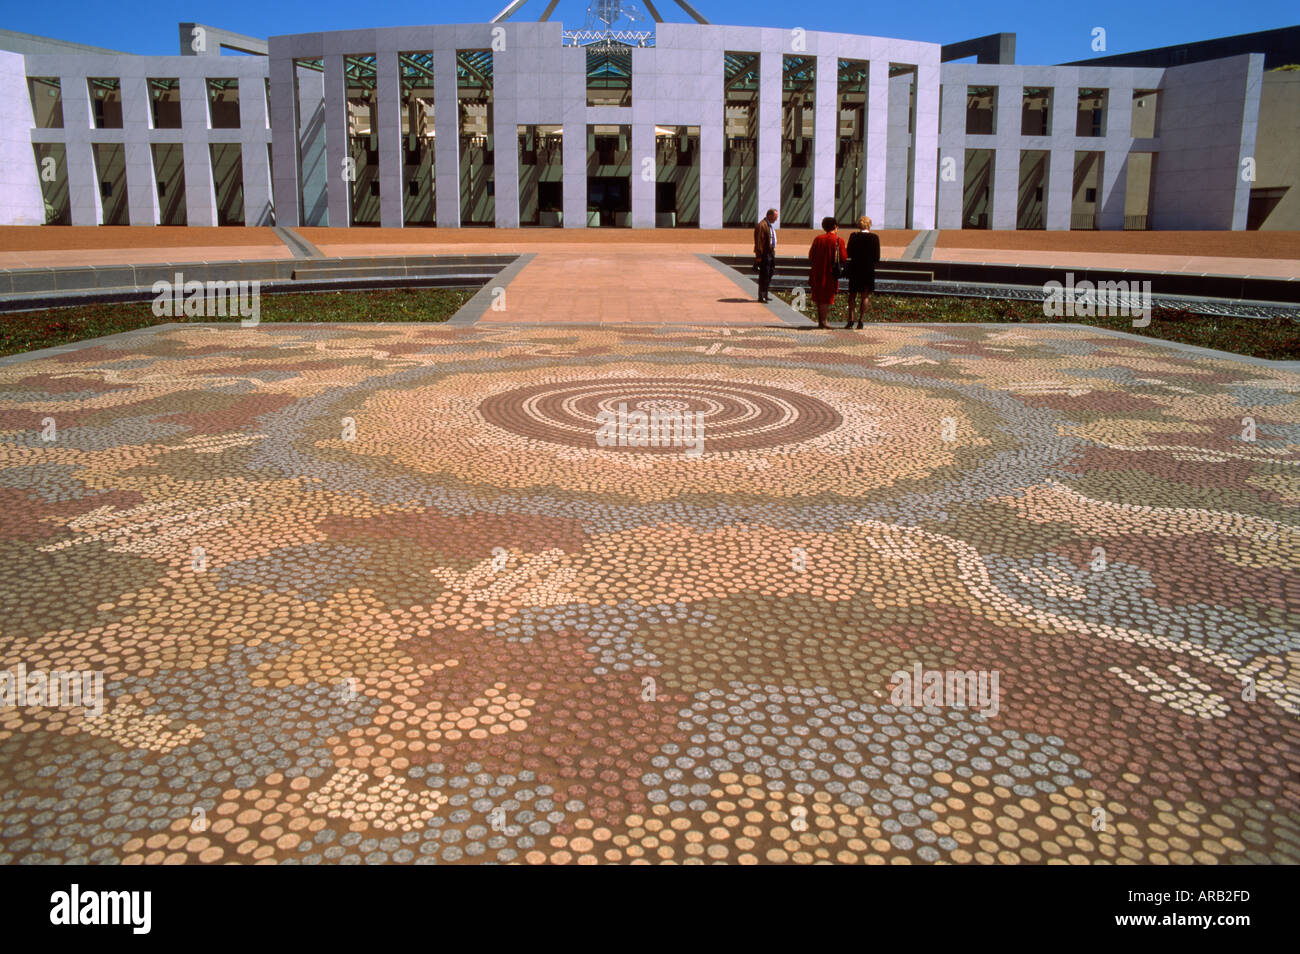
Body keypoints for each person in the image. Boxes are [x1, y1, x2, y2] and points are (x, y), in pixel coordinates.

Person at [807, 216, 847, 329]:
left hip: (817, 271)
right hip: (829, 272)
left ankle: (821, 321)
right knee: (826, 297)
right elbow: (843, 257)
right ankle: (824, 321)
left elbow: (811, 256)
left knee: (819, 296)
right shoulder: (838, 240)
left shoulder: (818, 239)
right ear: (835, 226)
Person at [844, 215, 881, 329]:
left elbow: (848, 252)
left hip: (855, 268)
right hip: (868, 269)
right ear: (869, 225)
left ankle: (851, 318)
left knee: (852, 295)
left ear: (859, 225)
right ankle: (861, 319)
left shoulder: (853, 236)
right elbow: (877, 257)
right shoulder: (874, 237)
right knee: (865, 296)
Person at [753, 208, 778, 302]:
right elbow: (759, 242)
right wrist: (758, 256)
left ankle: (765, 294)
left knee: (770, 273)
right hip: (764, 254)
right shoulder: (762, 225)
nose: (776, 219)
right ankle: (761, 296)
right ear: (770, 215)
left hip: (770, 253)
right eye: (775, 217)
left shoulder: (768, 225)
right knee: (764, 275)